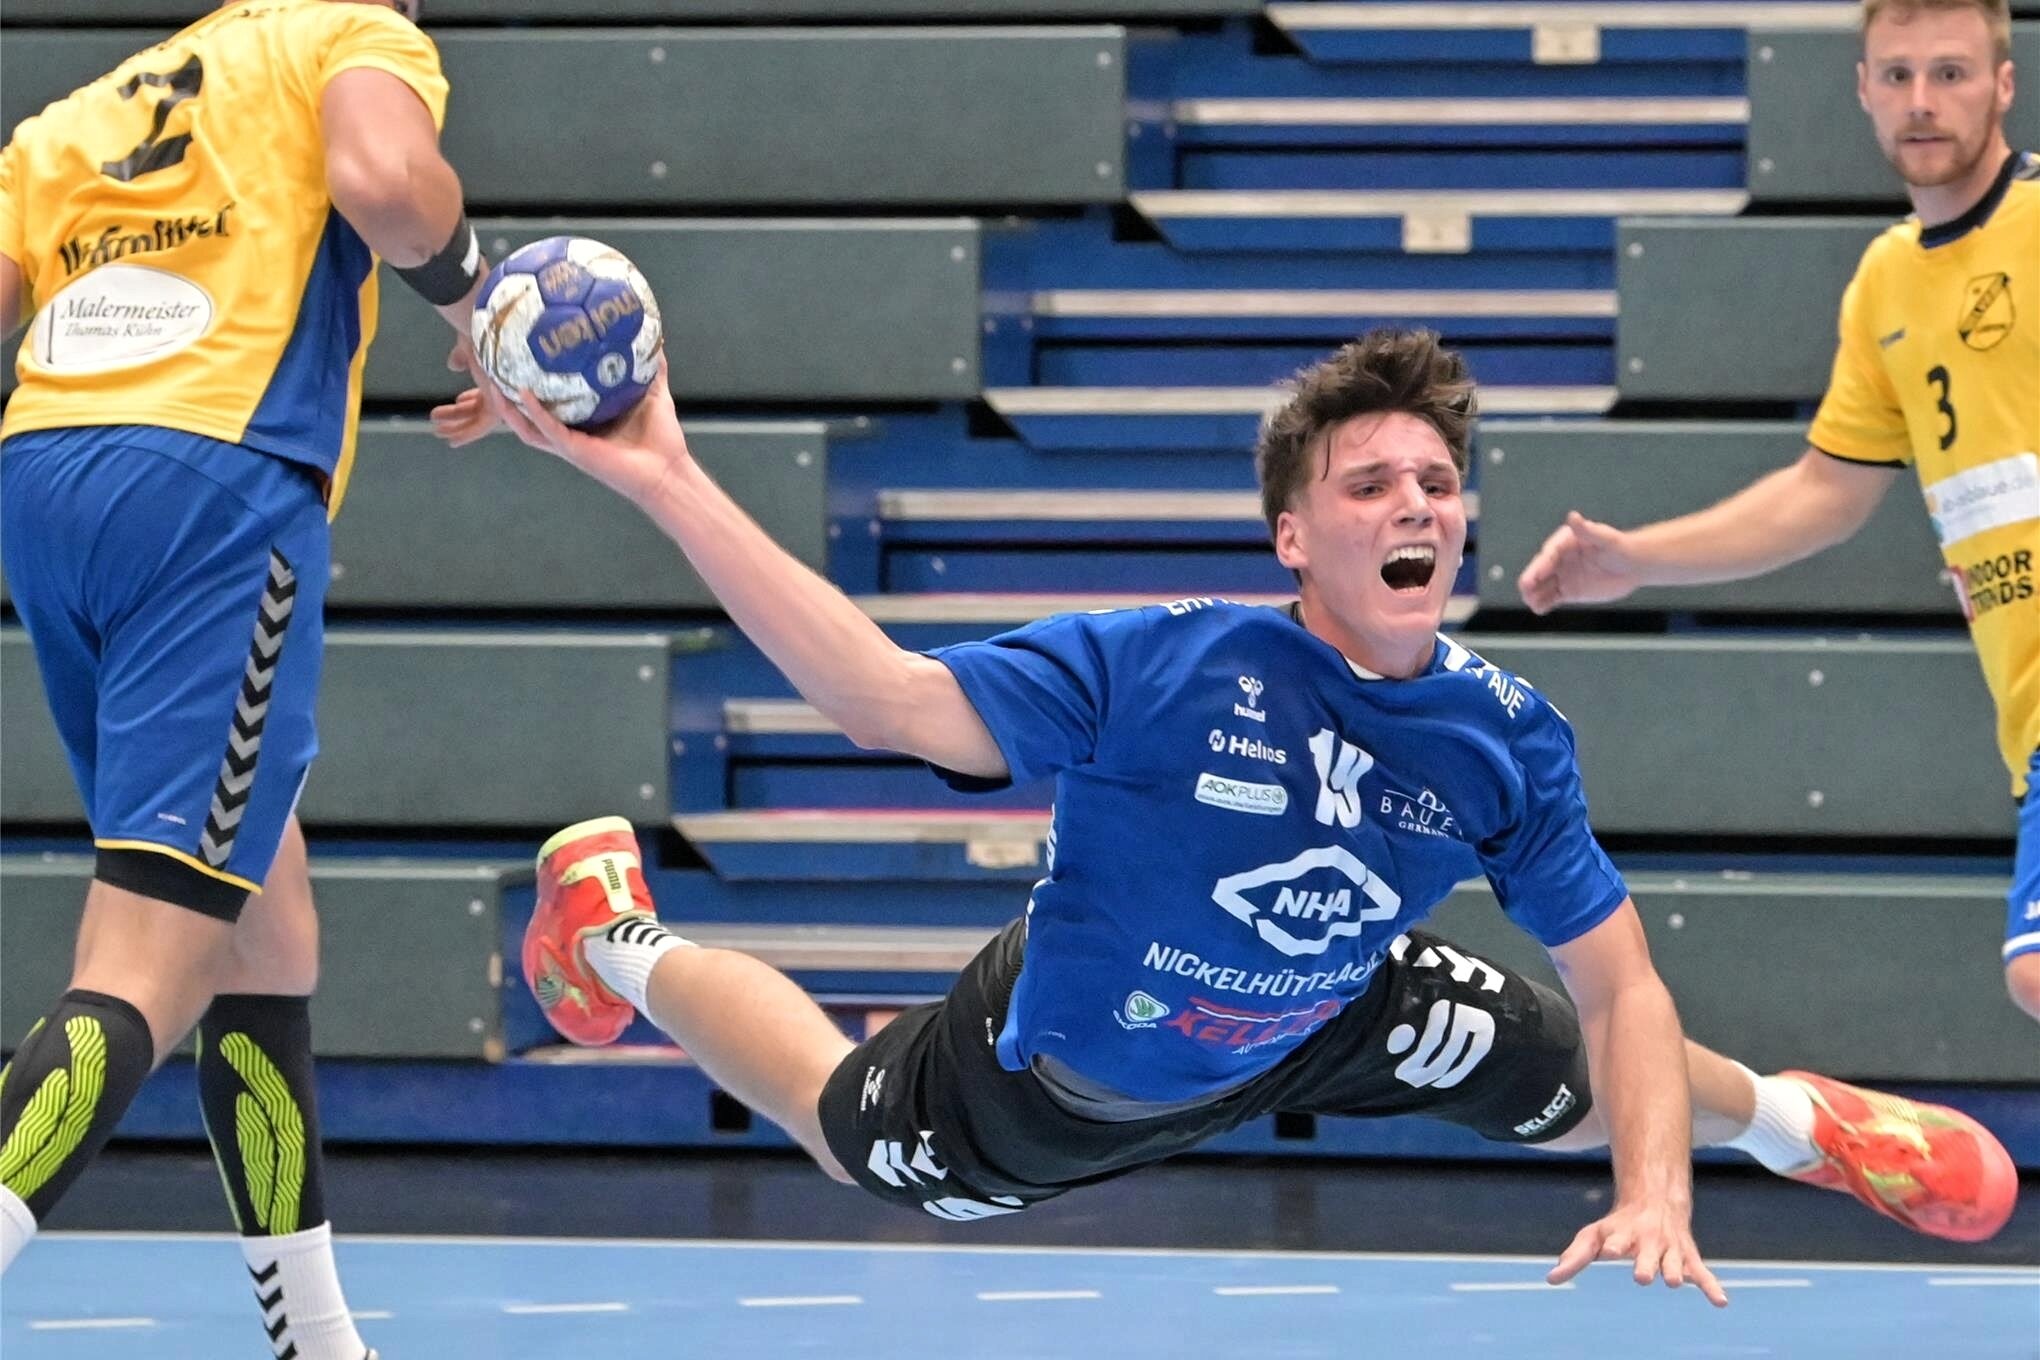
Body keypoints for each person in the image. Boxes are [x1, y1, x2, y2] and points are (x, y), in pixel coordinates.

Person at [440, 326, 2017, 1295]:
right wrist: (663, 474)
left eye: (1437, 483)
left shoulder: (1503, 735)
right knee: (851, 1130)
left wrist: (1658, 1199)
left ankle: (1816, 1127)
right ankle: (616, 938)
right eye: (1369, 484)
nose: (1417, 503)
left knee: (1599, 1080)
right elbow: (885, 703)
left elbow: (1626, 984)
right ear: (1291, 538)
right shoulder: (1164, 666)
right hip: (1069, 1069)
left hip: (1328, 1001)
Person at [0, 2, 487, 1354]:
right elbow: (389, 187)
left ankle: (315, 1337)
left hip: (44, 483)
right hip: (215, 486)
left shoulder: (82, 112)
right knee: (147, 962)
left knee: (262, 923)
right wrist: (480, 304)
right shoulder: (352, 37)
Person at [1517, 0, 2037, 1021]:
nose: (1923, 102)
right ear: (1861, 91)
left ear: (2004, 83)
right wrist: (1636, 560)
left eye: (1952, 72)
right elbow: (1822, 492)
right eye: (1897, 77)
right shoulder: (1886, 281)